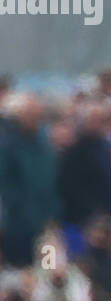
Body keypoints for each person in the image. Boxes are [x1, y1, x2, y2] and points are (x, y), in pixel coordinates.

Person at [0, 94, 58, 268]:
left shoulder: (43, 143)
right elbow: (6, 185)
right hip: (17, 224)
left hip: (46, 221)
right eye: (31, 115)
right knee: (21, 269)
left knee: (49, 265)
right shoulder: (7, 145)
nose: (36, 120)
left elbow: (50, 182)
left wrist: (53, 212)